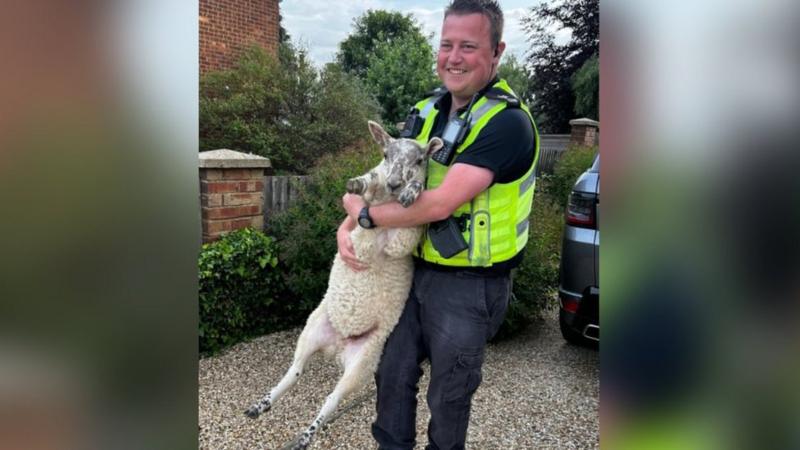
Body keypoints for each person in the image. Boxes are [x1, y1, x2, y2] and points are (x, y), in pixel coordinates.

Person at [338, 0, 539, 448]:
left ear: (497, 51)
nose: (453, 56)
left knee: (448, 397)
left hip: (471, 287)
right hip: (414, 271)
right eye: (446, 44)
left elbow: (440, 204)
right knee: (391, 372)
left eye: (468, 45)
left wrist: (365, 217)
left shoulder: (507, 124)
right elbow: (386, 177)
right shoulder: (425, 110)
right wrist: (346, 225)